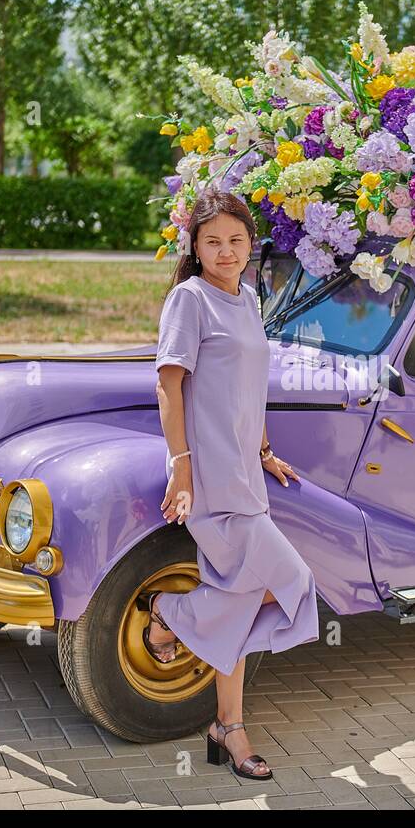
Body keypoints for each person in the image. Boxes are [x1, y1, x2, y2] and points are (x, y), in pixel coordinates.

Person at [148, 187, 319, 781]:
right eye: (213, 241)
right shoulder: (189, 300)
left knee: (243, 599)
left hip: (248, 474)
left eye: (236, 241)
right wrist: (183, 469)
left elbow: (251, 387)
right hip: (211, 479)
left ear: (252, 246)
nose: (225, 252)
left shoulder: (247, 299)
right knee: (292, 580)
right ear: (194, 246)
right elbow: (169, 388)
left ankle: (229, 725)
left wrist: (267, 451)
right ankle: (171, 610)